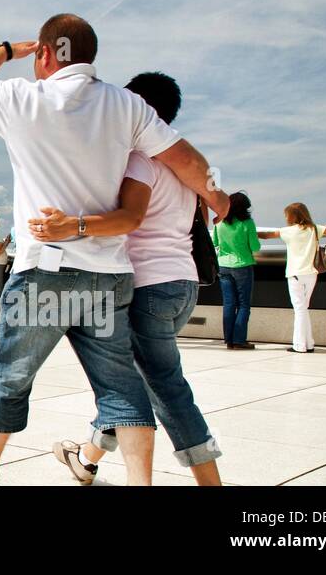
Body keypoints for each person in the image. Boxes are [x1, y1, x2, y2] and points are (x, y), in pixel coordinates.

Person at [0, 15, 230, 486]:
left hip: (45, 272)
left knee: (12, 375)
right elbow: (189, 162)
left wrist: (7, 50)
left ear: (46, 53)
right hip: (109, 277)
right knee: (123, 389)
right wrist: (219, 198)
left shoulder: (21, 98)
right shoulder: (127, 106)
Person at [31, 72, 222, 486]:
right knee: (131, 380)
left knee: (164, 388)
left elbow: (129, 219)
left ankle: (211, 484)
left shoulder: (139, 158)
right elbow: (201, 219)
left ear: (138, 107)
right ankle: (85, 456)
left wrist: (73, 226)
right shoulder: (185, 164)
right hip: (183, 284)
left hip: (148, 286)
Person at [258, 204, 326, 353]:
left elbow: (266, 235)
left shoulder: (288, 231)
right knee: (303, 308)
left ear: (292, 216)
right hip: (311, 274)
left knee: (299, 309)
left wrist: (249, 232)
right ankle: (309, 343)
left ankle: (299, 345)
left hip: (295, 273)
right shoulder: (315, 229)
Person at [214, 192, 259, 349]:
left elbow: (215, 242)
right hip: (242, 266)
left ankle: (229, 340)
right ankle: (239, 340)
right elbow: (255, 247)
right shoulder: (247, 223)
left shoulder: (219, 223)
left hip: (223, 266)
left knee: (228, 304)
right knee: (243, 305)